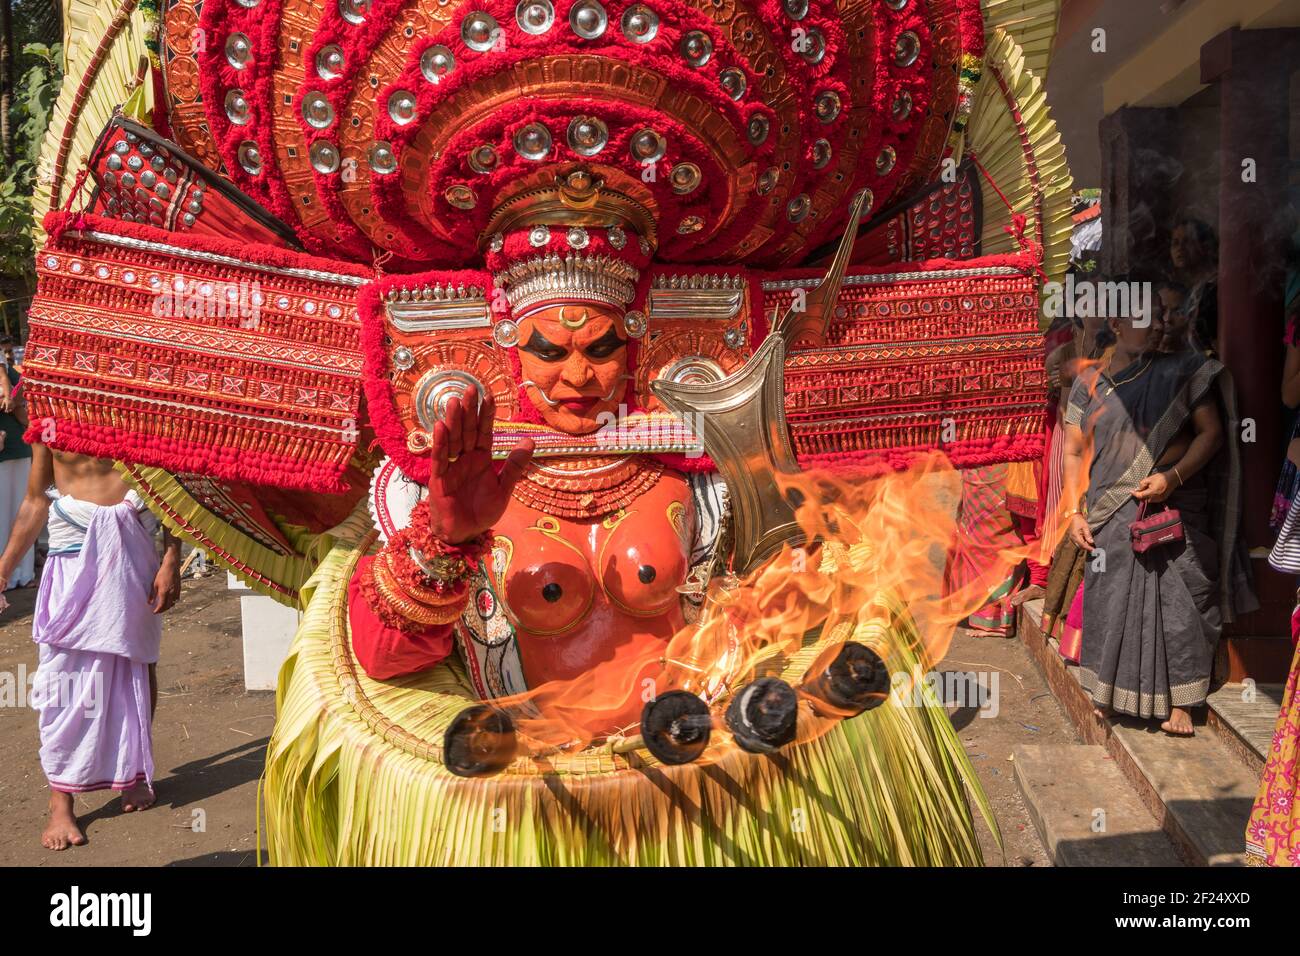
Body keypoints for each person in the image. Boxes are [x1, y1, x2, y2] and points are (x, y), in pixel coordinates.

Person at [1062, 296, 1254, 736]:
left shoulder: (1183, 371)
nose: (1157, 326)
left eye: (1161, 317)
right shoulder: (1088, 382)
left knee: (1181, 601)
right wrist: (1074, 511)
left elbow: (1211, 434)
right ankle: (1108, 693)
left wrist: (1173, 477)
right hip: (1109, 509)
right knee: (1111, 599)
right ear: (1116, 322)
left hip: (1175, 504)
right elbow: (1072, 450)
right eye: (1146, 318)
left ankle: (1182, 703)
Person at [0, 446, 181, 850]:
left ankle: (132, 773)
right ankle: (60, 800)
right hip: (70, 558)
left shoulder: (140, 401)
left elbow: (173, 495)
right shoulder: (47, 412)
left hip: (133, 553)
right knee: (60, 682)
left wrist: (171, 560)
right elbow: (35, 499)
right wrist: (4, 567)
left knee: (136, 665)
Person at [0, 340, 34, 589]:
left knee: (20, 512)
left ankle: (20, 572)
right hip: (8, 449)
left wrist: (13, 398)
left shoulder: (11, 372)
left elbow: (23, 395)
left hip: (17, 447)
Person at [1169, 215, 1219, 356]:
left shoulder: (1214, 288)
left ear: (1205, 246)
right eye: (1175, 243)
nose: (1180, 248)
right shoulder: (1193, 291)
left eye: (1187, 242)